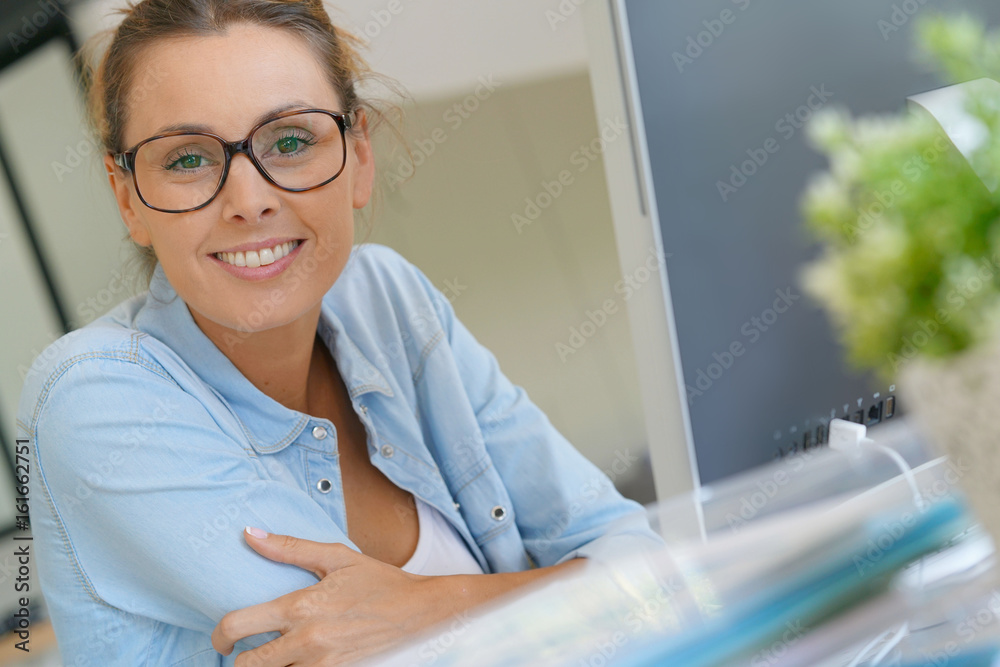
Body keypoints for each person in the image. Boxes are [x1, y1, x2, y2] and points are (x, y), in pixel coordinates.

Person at [16, 0, 661, 664]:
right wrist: (546, 594)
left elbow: (640, 559)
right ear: (128, 199)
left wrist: (434, 605)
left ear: (358, 155)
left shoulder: (389, 298)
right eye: (187, 158)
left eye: (290, 141)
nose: (248, 200)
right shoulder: (92, 396)